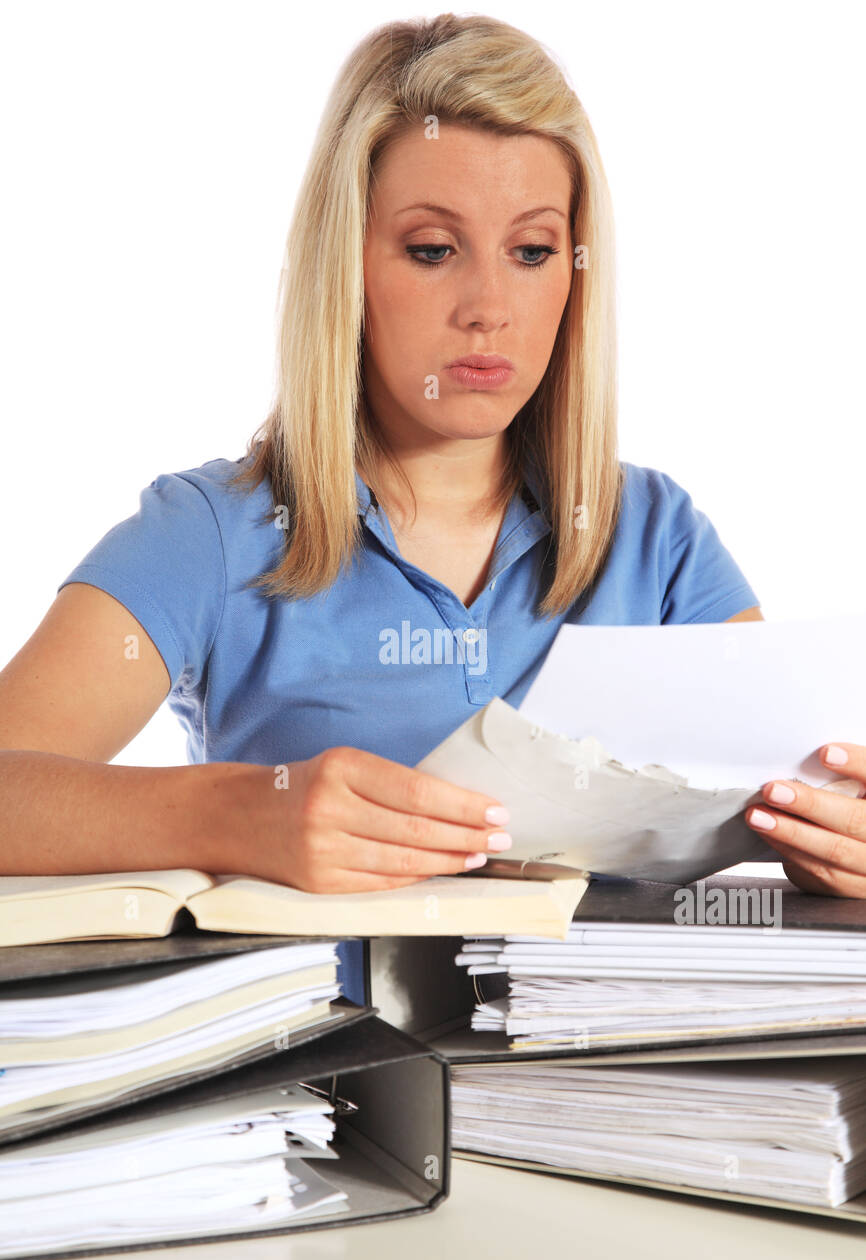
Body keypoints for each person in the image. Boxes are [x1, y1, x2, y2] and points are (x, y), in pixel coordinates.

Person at [1, 16, 863, 1010]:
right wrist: (237, 812)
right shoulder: (211, 533)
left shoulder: (656, 541)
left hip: (598, 1096)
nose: (487, 307)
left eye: (533, 251)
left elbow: (795, 804)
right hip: (307, 1120)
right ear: (347, 266)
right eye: (431, 248)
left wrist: (830, 847)